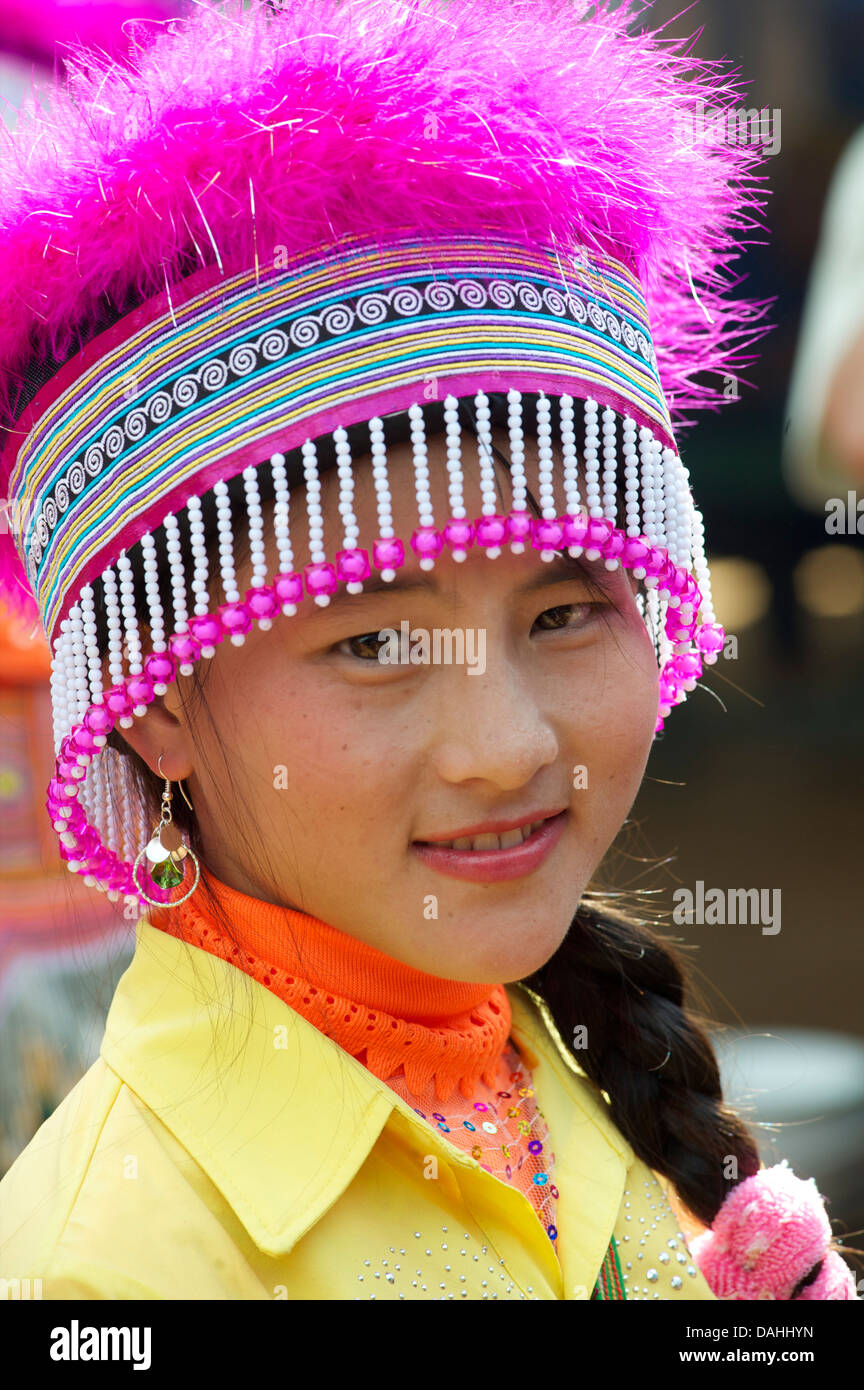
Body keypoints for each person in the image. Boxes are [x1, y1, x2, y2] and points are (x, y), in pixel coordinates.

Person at [0, 0, 856, 1301]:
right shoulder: (110, 1266)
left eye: (566, 612)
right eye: (377, 638)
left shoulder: (555, 1060)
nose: (507, 745)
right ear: (156, 696)